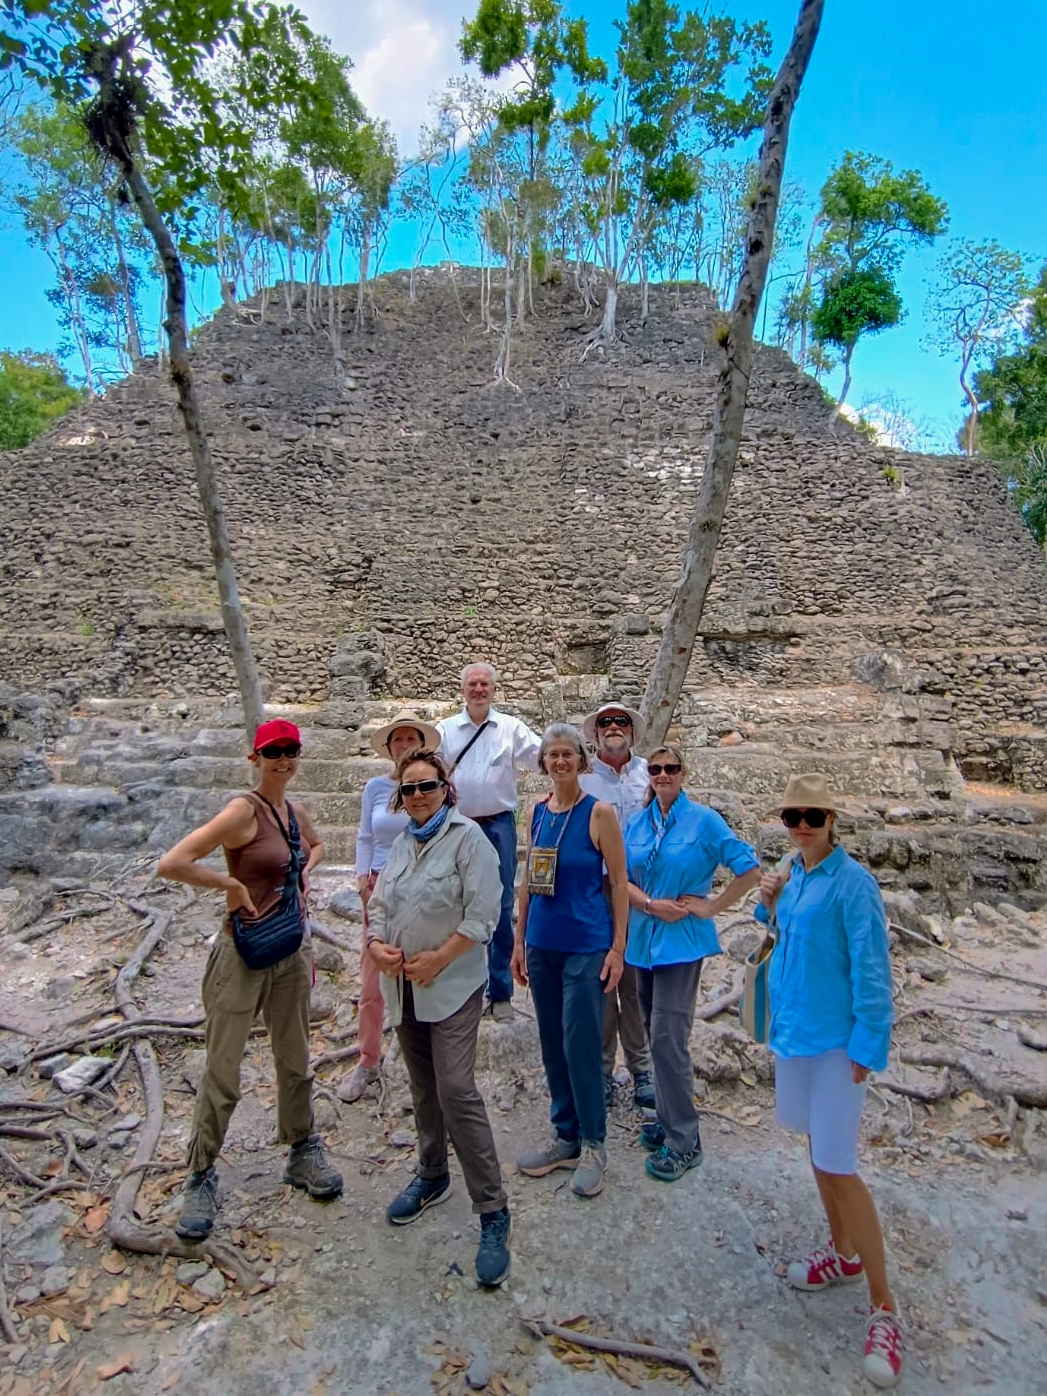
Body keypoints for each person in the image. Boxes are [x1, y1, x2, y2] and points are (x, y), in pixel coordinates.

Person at [157, 719, 342, 1241]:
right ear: (255, 758)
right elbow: (173, 863)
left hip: (289, 946)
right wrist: (229, 884)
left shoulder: (293, 811)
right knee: (224, 1065)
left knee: (295, 1054)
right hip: (243, 951)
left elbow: (317, 845)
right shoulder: (243, 811)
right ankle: (200, 1171)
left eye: (291, 751)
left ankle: (302, 1148)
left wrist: (304, 872)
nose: (284, 759)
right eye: (274, 751)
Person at [757, 773, 901, 1389]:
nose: (803, 824)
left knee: (841, 1164)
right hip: (796, 1034)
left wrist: (869, 1045)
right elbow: (782, 938)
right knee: (819, 1151)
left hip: (840, 1044)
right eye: (794, 815)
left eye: (813, 814)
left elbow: (872, 968)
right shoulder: (793, 873)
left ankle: (884, 1306)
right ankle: (842, 1255)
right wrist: (768, 899)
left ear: (832, 818)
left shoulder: (854, 884)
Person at [366, 749, 511, 1287]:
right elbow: (380, 905)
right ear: (400, 798)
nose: (419, 796)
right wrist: (376, 944)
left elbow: (484, 914)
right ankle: (431, 1174)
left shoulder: (469, 840)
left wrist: (440, 957)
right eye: (409, 790)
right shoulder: (403, 844)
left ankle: (493, 1209)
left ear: (446, 790)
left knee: (456, 1088)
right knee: (423, 1088)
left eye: (427, 786)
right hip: (403, 988)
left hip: (451, 986)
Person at [624, 745, 760, 1181]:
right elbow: (619, 878)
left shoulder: (703, 821)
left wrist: (713, 906)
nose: (663, 775)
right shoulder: (637, 822)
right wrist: (648, 903)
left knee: (668, 1036)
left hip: (681, 943)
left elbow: (749, 868)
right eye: (656, 768)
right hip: (643, 939)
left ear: (684, 773)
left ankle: (685, 1139)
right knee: (651, 1031)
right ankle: (667, 1121)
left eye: (671, 768)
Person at [513, 723, 627, 1199]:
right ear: (543, 763)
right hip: (543, 943)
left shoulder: (599, 813)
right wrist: (518, 940)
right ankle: (564, 1135)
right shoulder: (537, 812)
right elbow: (527, 879)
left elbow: (619, 884)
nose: (560, 762)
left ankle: (593, 1142)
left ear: (582, 761)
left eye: (567, 755)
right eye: (552, 755)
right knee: (551, 1041)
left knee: (582, 1044)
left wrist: (618, 949)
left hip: (586, 943)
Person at [341, 711, 442, 1104]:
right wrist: (362, 877)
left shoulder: (431, 788)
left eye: (409, 739)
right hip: (381, 885)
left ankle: (429, 1061)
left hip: (424, 883)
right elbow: (366, 835)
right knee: (372, 980)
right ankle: (369, 1058)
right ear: (388, 748)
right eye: (396, 740)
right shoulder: (374, 789)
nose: (403, 745)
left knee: (424, 968)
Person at [436, 662, 541, 1023]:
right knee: (454, 901)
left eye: (485, 684)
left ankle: (499, 991)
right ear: (463, 689)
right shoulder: (445, 730)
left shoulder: (511, 728)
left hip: (499, 825)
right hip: (458, 825)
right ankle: (460, 988)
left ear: (494, 689)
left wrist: (578, 760)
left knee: (499, 903)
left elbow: (541, 758)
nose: (479, 689)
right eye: (472, 684)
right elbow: (429, 772)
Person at [579, 701, 656, 1111]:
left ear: (631, 730)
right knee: (603, 979)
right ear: (595, 734)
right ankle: (604, 1068)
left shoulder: (650, 772)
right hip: (599, 890)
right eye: (605, 722)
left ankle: (641, 1067)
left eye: (620, 721)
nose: (612, 727)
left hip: (642, 890)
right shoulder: (583, 777)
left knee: (636, 978)